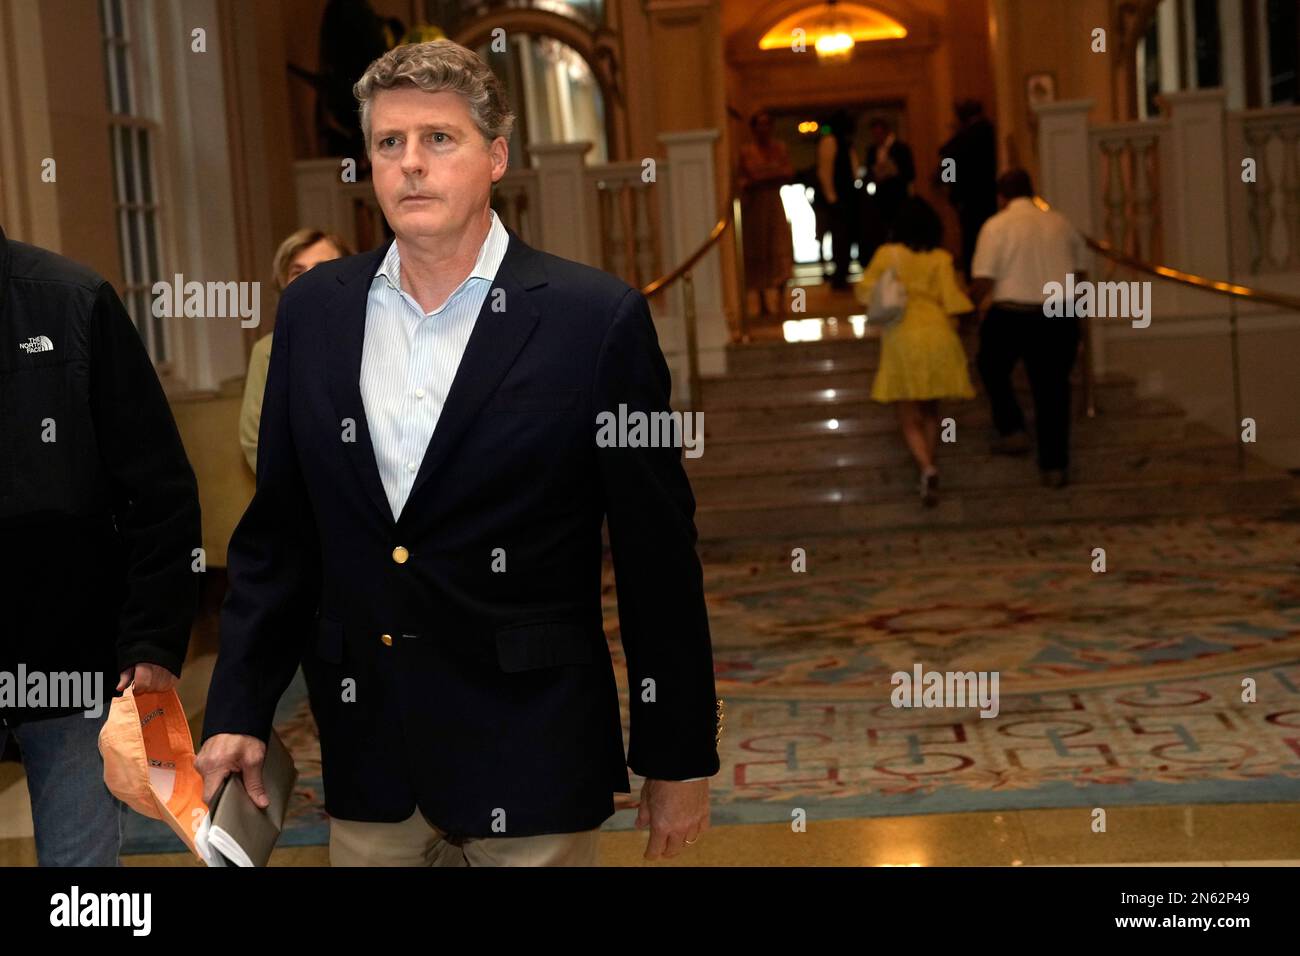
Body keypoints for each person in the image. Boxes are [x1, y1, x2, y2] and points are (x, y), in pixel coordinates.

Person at [195, 39, 720, 867]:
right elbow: (280, 540)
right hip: (370, 752)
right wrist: (236, 711)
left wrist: (678, 756)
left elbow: (658, 558)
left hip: (534, 745)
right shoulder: (315, 315)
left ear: (495, 157)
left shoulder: (595, 321)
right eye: (389, 144)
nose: (411, 165)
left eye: (439, 139)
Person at [0, 225, 201, 865]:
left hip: (75, 667)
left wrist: (152, 639)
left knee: (81, 885)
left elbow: (159, 488)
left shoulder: (73, 301)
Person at [968, 169, 1090, 488]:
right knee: (1053, 389)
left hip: (1011, 313)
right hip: (1059, 311)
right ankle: (1054, 465)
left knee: (991, 366)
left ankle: (1012, 428)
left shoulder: (995, 226)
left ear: (1001, 196)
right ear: (1033, 192)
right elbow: (1080, 273)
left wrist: (968, 308)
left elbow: (983, 279)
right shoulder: (1060, 222)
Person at [854, 197, 976, 507]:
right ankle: (929, 466)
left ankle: (927, 467)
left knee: (907, 414)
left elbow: (863, 290)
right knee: (931, 409)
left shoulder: (887, 254)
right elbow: (954, 300)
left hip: (903, 334)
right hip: (938, 333)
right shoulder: (940, 259)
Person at [239, 229, 352, 473]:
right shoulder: (267, 351)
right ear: (283, 284)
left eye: (324, 267)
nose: (310, 279)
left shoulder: (376, 337)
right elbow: (255, 442)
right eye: (297, 272)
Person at [738, 110, 795, 316]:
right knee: (758, 249)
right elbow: (750, 176)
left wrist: (765, 175)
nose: (764, 129)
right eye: (759, 125)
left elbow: (787, 173)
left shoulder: (780, 148)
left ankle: (781, 300)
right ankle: (762, 302)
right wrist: (767, 174)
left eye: (767, 124)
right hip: (755, 208)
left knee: (780, 247)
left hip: (774, 204)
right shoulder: (747, 151)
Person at [938, 99, 997, 276]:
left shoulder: (965, 136)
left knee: (971, 238)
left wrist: (949, 184)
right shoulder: (989, 130)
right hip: (987, 193)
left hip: (969, 196)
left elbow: (947, 156)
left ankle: (975, 275)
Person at [818, 110, 860, 290]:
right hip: (837, 198)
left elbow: (855, 169)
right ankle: (839, 275)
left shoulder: (846, 143)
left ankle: (844, 271)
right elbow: (825, 172)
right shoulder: (829, 142)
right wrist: (832, 198)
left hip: (848, 196)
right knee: (839, 237)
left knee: (847, 237)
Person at [866, 116, 915, 234]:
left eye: (879, 133)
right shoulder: (872, 151)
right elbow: (869, 172)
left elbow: (911, 173)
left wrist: (894, 172)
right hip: (881, 199)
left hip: (898, 197)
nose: (877, 137)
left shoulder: (901, 149)